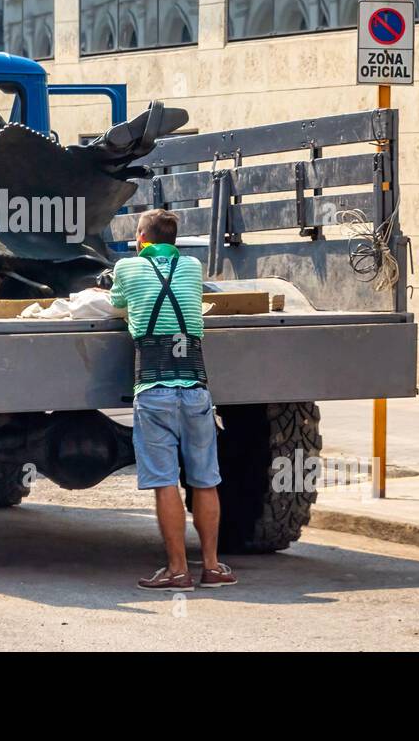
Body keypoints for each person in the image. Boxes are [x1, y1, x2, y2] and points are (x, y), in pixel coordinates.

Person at [109, 208, 237, 593]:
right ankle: (212, 567)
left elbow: (117, 304)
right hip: (197, 390)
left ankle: (178, 571)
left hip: (153, 390)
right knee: (206, 480)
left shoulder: (127, 269)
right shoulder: (193, 268)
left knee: (165, 481)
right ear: (174, 240)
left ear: (141, 239)